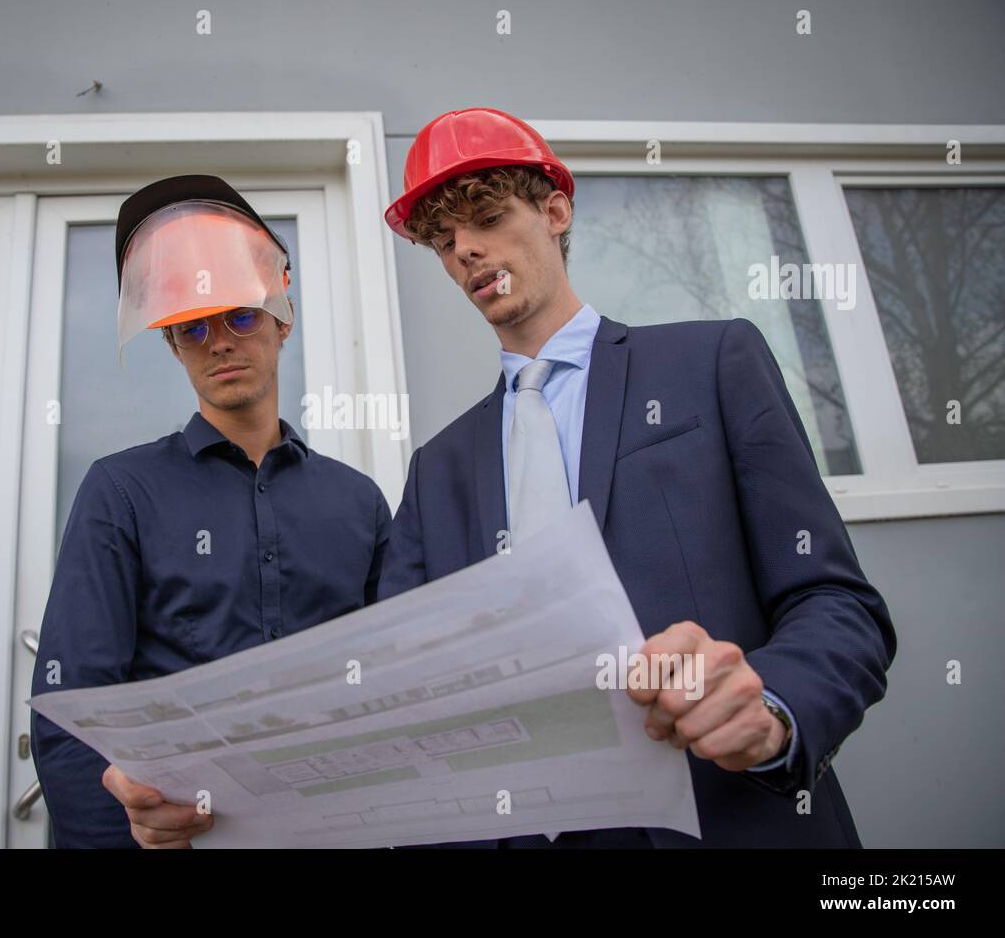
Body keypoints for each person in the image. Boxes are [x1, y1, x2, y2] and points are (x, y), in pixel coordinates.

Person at [377, 108, 897, 847]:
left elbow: (836, 601)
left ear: (556, 211)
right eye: (443, 240)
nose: (465, 249)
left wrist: (772, 707)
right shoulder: (437, 471)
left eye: (487, 218)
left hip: (724, 821)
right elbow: (408, 686)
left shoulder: (710, 364)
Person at [31, 175, 391, 848]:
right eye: (192, 327)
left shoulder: (358, 503)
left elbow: (393, 683)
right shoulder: (120, 491)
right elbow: (70, 710)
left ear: (283, 318)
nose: (218, 341)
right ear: (172, 344)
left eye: (241, 316)